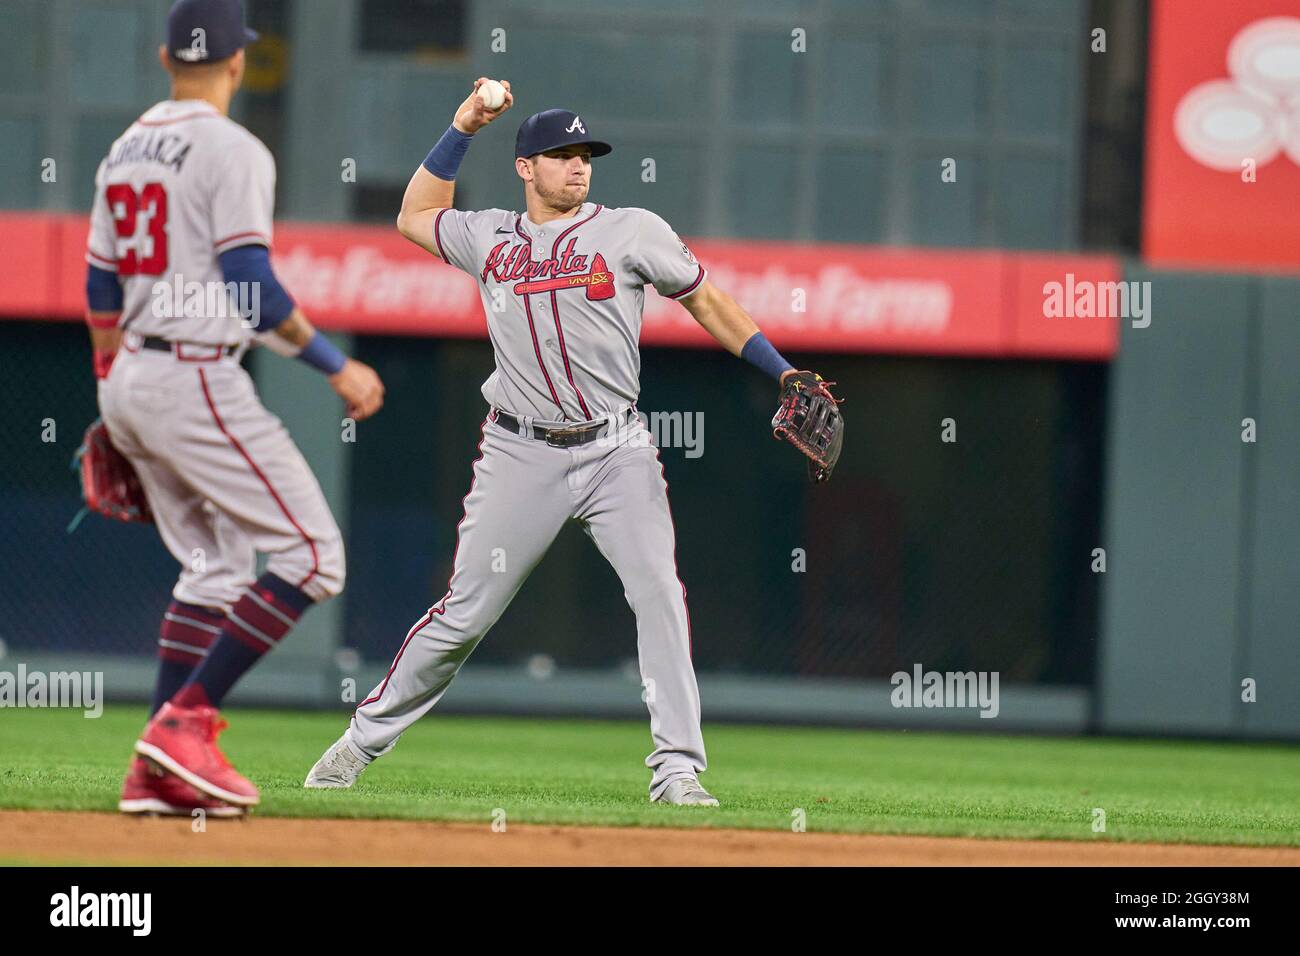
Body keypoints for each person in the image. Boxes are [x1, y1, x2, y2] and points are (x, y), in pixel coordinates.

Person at [304, 78, 830, 806]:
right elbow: (414, 213)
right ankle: (360, 742)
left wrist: (782, 368)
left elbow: (707, 299)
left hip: (617, 450)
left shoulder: (632, 229)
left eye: (585, 154)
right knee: (465, 614)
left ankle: (677, 770)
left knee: (660, 596)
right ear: (526, 167)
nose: (578, 166)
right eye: (560, 154)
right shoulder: (488, 235)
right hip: (520, 452)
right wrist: (463, 125)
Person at [85, 0, 384, 816]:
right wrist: (334, 364)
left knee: (217, 568)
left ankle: (152, 768)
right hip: (195, 374)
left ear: (162, 57)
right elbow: (250, 284)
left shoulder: (125, 149)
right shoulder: (233, 148)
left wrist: (113, 392)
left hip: (133, 373)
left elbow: (100, 287)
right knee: (315, 557)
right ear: (238, 62)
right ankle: (187, 723)